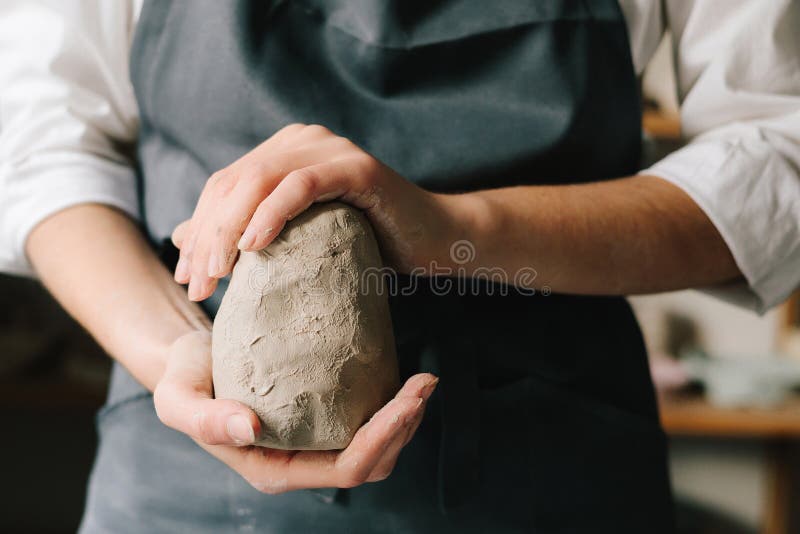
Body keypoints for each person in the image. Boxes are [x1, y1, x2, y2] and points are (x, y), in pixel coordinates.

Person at [1, 0, 798, 532]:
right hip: (190, 470)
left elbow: (778, 158)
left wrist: (455, 229)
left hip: (551, 460)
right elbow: (42, 148)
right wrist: (172, 349)